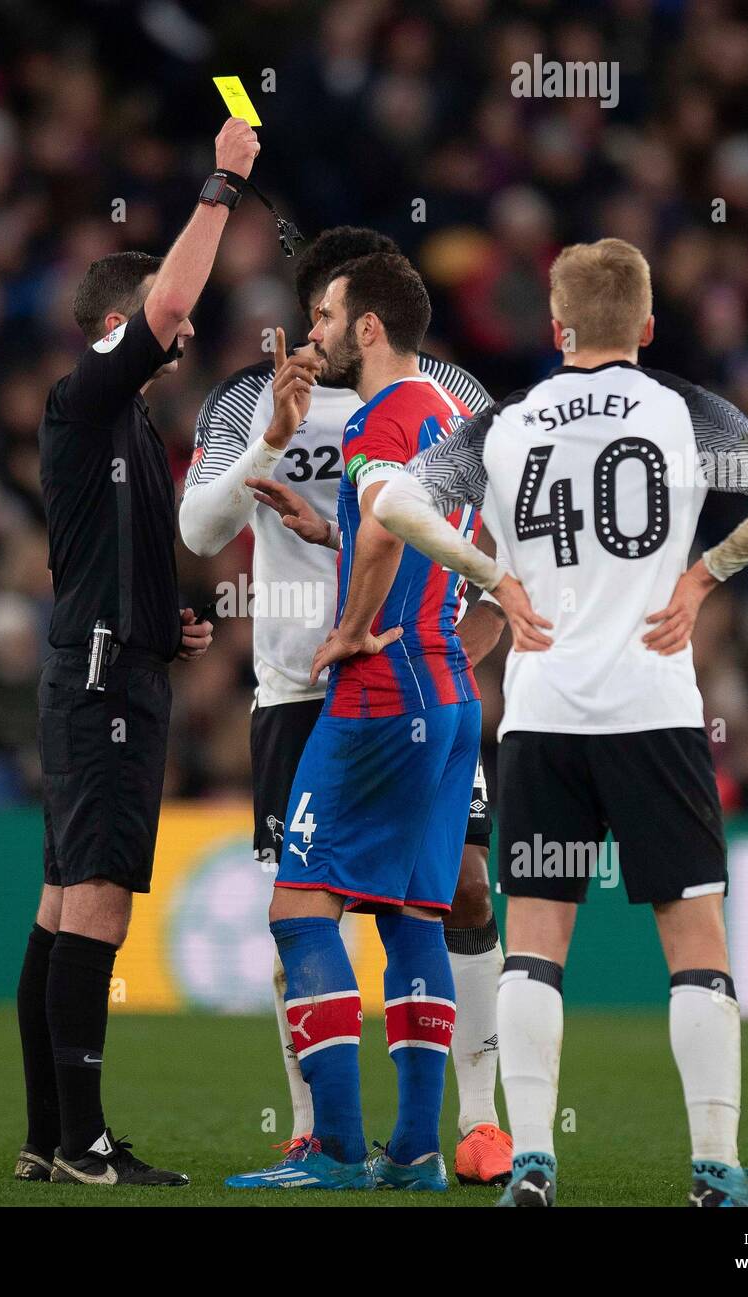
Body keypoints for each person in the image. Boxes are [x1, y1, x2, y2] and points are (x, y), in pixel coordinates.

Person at [372, 237, 748, 1207]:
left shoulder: (507, 420)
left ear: (555, 327)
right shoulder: (682, 409)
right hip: (655, 710)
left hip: (542, 717)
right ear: (648, 326)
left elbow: (396, 497)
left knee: (536, 942)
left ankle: (531, 1165)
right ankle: (714, 1174)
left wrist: (491, 576)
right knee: (694, 941)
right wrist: (705, 574)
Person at [181, 226, 513, 1186]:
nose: (312, 325)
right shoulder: (254, 396)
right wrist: (274, 445)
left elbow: (470, 535)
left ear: (365, 317)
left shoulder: (443, 401)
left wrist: (372, 627)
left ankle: (450, 1126)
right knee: (400, 907)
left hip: (373, 686)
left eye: (328, 309)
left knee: (428, 892)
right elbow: (204, 533)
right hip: (303, 692)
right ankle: (348, 1136)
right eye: (311, 306)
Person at [13, 117, 255, 1188]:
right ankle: (82, 1141)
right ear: (116, 327)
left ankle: (42, 1136)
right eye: (161, 314)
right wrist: (223, 180)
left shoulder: (126, 434)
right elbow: (164, 303)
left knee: (64, 905)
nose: (185, 323)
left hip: (108, 662)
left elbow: (109, 560)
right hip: (102, 682)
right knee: (97, 906)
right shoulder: (87, 397)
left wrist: (172, 620)